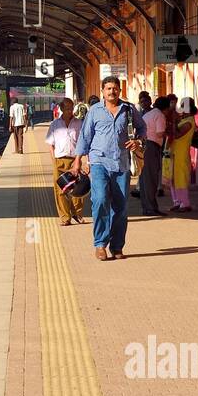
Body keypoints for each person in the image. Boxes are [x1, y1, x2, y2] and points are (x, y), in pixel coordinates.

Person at [69, 76, 144, 260]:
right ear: (103, 91)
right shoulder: (94, 111)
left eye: (115, 88)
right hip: (98, 163)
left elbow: (143, 128)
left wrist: (138, 141)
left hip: (121, 164)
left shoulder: (129, 109)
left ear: (120, 90)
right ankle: (100, 244)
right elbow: (85, 137)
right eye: (108, 88)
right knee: (101, 200)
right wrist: (78, 160)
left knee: (120, 207)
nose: (112, 91)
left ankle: (117, 246)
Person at [45, 98, 84, 226]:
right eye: (67, 108)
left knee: (77, 189)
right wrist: (54, 161)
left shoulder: (79, 123)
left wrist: (85, 160)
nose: (70, 111)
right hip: (59, 160)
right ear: (61, 109)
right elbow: (50, 145)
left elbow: (84, 142)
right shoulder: (55, 125)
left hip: (75, 160)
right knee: (61, 190)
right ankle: (64, 217)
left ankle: (77, 214)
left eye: (71, 108)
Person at [168, 96, 198, 212]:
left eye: (182, 105)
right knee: (173, 178)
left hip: (182, 154)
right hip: (175, 152)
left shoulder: (189, 122)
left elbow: (177, 134)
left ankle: (185, 203)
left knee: (181, 178)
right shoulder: (183, 120)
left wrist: (174, 123)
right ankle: (177, 201)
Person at [139, 95, 168, 216]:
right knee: (151, 178)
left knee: (145, 178)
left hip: (144, 145)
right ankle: (151, 207)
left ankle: (147, 207)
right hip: (152, 145)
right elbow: (160, 133)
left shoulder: (148, 114)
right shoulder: (159, 115)